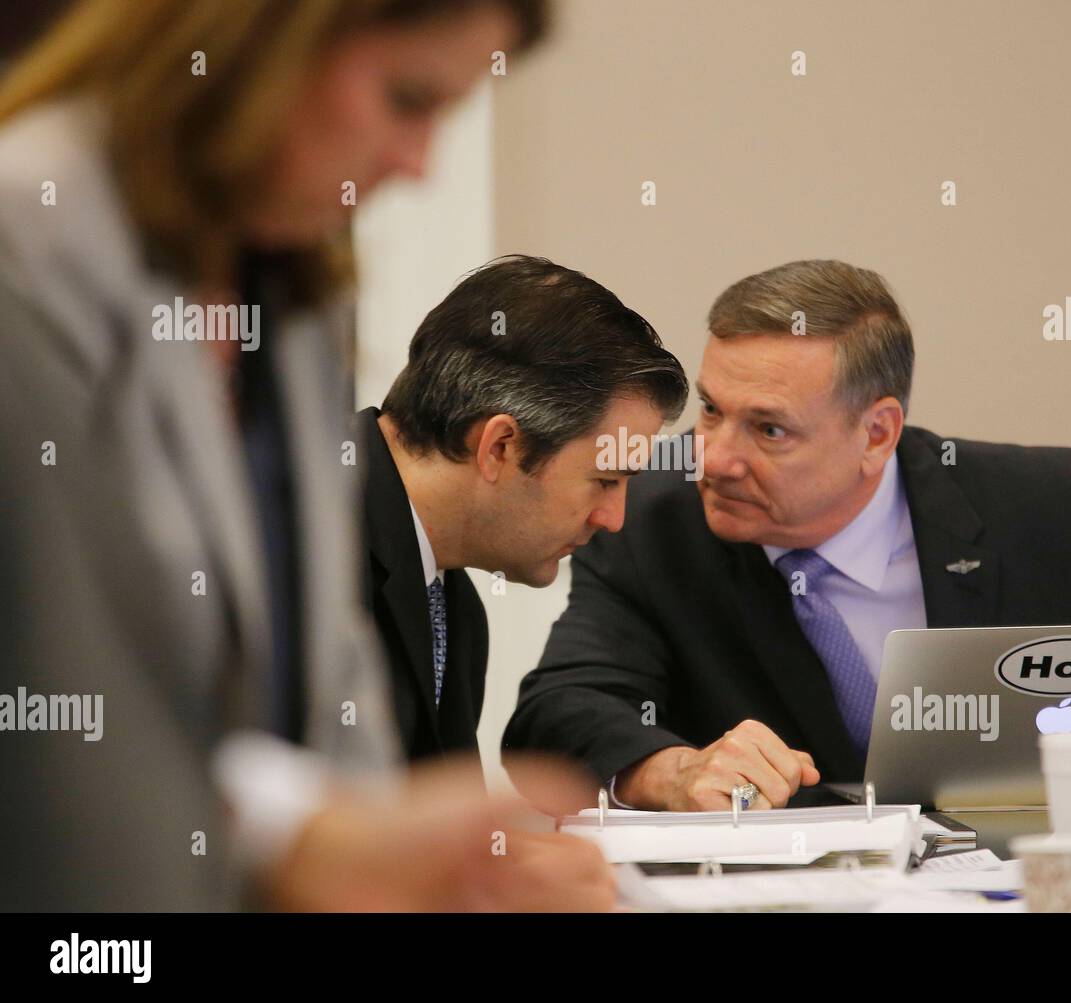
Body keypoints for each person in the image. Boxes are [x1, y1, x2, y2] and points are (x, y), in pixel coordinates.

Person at [0, 0, 615, 911]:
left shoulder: (292, 289)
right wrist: (305, 840)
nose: (418, 163)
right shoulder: (29, 241)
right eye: (407, 99)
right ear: (262, 37)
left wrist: (403, 855)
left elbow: (315, 693)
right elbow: (61, 715)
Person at [502, 259, 1071, 813]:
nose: (715, 456)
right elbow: (560, 712)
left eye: (768, 427)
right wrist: (671, 770)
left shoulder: (1055, 506)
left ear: (877, 433)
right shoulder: (652, 517)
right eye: (710, 409)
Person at [360, 255, 687, 764]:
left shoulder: (452, 602)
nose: (614, 518)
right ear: (499, 447)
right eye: (604, 480)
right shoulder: (305, 550)